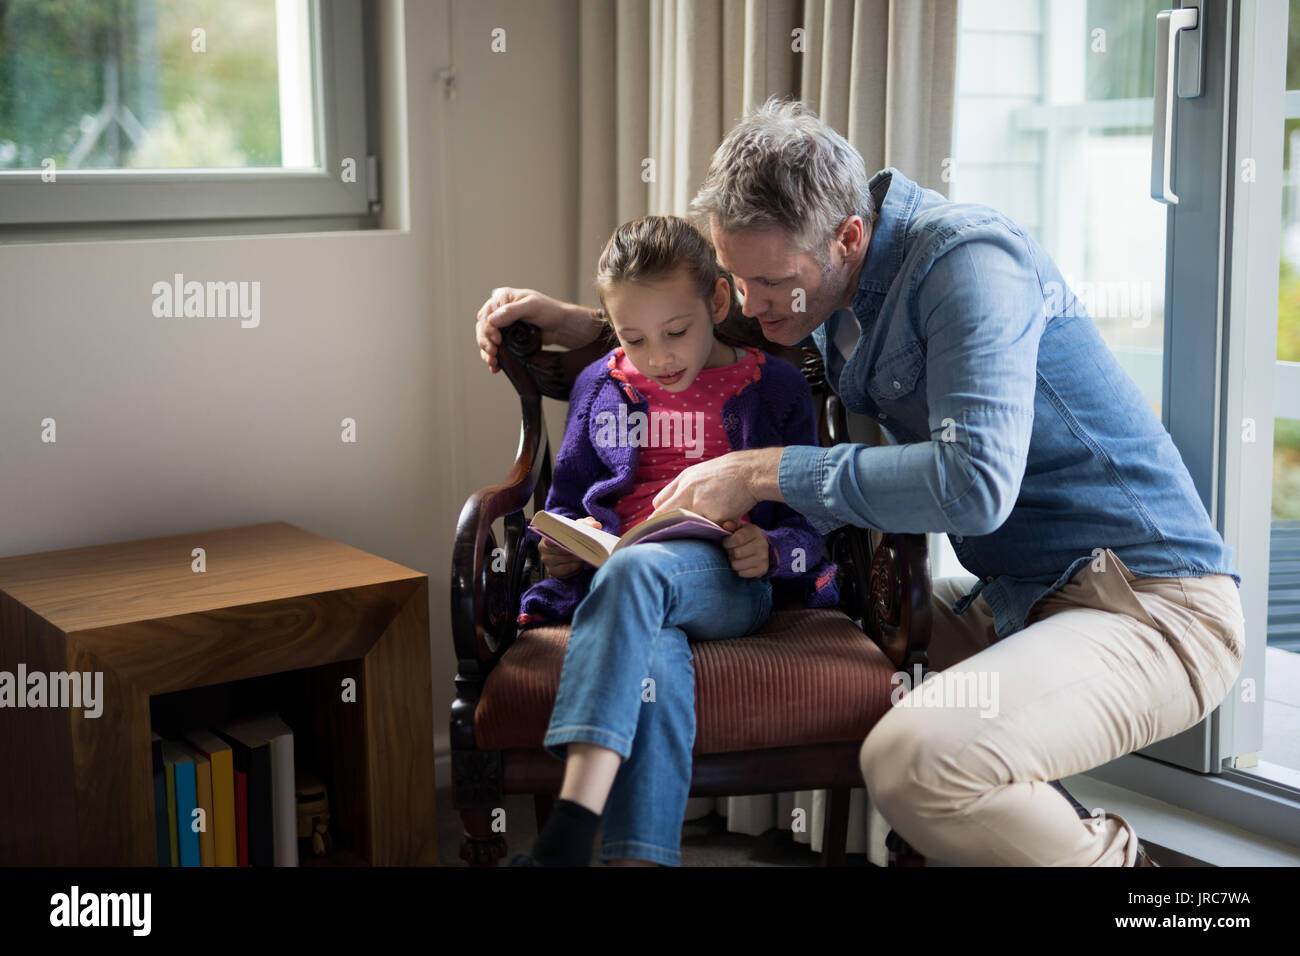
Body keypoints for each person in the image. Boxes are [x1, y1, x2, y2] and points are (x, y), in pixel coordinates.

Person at [477, 97, 1244, 867]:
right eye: (738, 282)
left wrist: (761, 471)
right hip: (1015, 598)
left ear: (848, 236)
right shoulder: (822, 290)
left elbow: (974, 485)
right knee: (763, 619)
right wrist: (587, 326)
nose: (752, 304)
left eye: (770, 283)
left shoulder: (969, 264)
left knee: (913, 760)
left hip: (1148, 601)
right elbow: (704, 329)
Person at [507, 214, 839, 867]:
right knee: (653, 662)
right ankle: (639, 859)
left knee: (638, 574)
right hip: (624, 584)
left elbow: (818, 516)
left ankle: (569, 831)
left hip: (726, 583)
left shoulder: (774, 387)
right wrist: (564, 549)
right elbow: (567, 503)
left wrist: (771, 553)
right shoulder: (599, 385)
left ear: (717, 301)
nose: (657, 356)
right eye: (633, 338)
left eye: (677, 332)